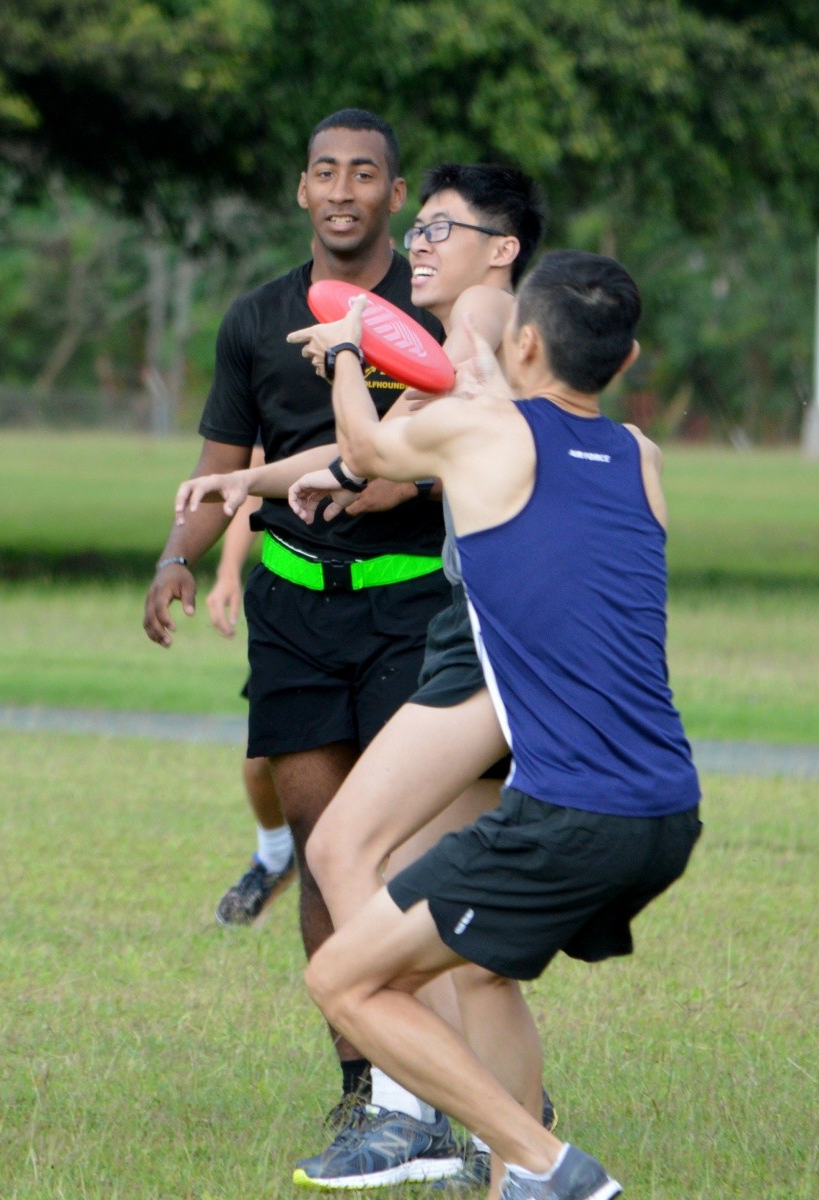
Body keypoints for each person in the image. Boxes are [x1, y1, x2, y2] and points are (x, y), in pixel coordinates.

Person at [283, 250, 698, 1200]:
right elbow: (550, 495)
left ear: (523, 341)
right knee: (478, 973)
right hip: (669, 811)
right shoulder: (642, 457)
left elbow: (369, 448)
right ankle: (518, 1168)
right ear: (626, 360)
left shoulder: (484, 433)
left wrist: (352, 350)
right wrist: (481, 386)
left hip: (569, 815)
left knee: (346, 981)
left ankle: (554, 1170)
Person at [187, 163, 551, 1189]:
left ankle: (420, 1116)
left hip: (481, 648)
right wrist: (244, 483)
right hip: (489, 646)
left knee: (365, 859)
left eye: (443, 227)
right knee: (453, 921)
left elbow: (384, 448)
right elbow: (368, 459)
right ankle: (503, 1133)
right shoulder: (471, 348)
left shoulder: (496, 329)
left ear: (503, 248)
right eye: (421, 226)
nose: (420, 243)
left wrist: (350, 359)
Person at [143, 108, 453, 1178]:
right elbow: (223, 462)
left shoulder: (434, 312)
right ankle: (366, 1085)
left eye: (364, 173)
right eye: (324, 170)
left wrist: (394, 479)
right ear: (301, 190)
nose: (342, 189)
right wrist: (175, 556)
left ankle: (450, 1075)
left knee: (407, 851)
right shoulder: (257, 316)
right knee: (326, 850)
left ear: (395, 196)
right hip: (292, 612)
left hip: (414, 608)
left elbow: (460, 448)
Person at [209, 449, 294, 928]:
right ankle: (276, 856)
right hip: (299, 596)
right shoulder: (289, 377)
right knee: (261, 762)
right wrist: (227, 573)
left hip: (396, 593)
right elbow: (253, 480)